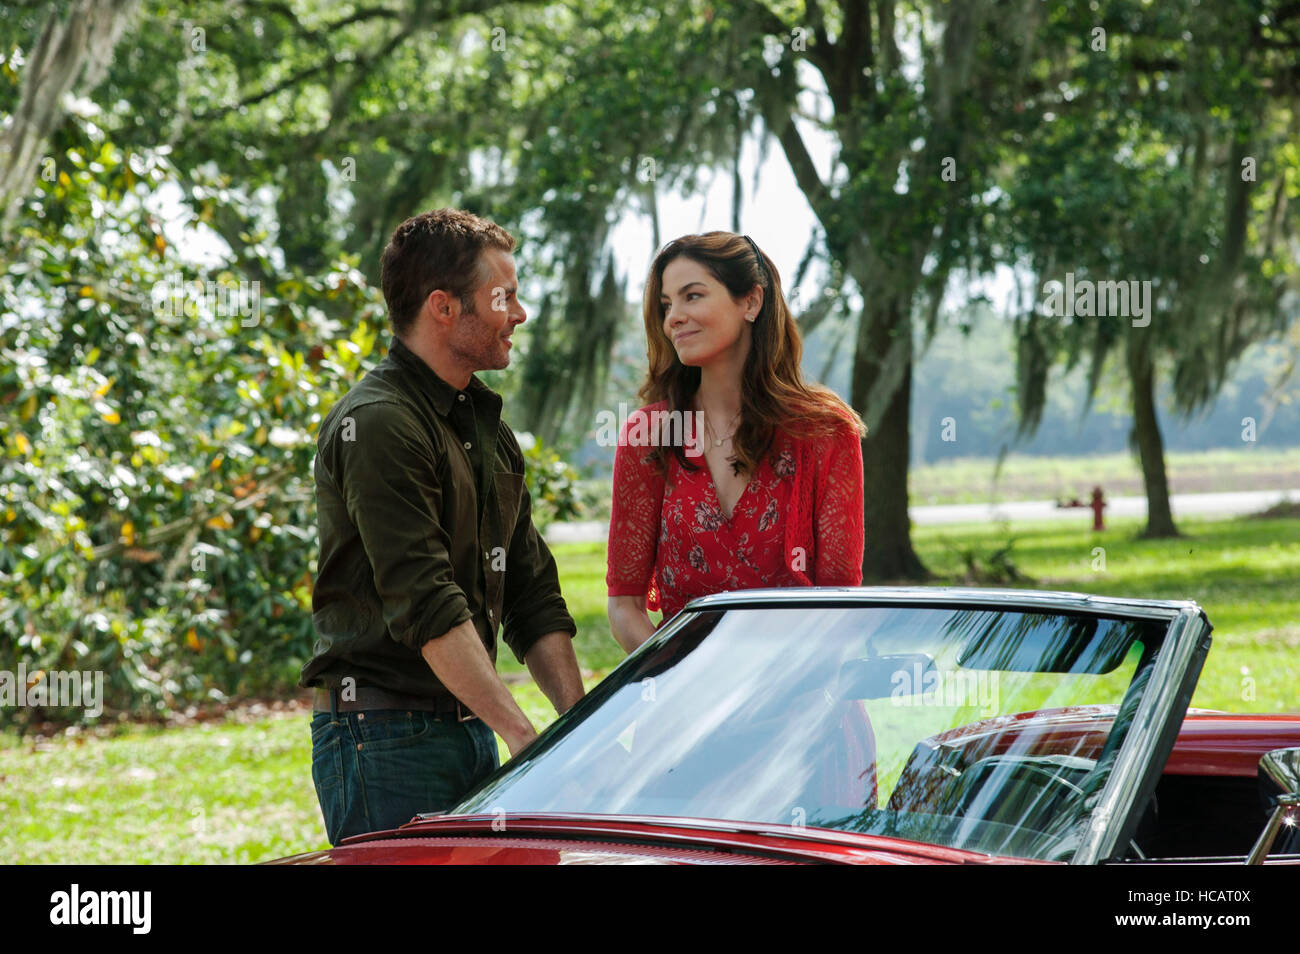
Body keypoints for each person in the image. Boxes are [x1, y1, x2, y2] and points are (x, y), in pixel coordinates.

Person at [302, 208, 585, 846]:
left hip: (467, 725)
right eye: (503, 296)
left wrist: (577, 732)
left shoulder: (487, 429)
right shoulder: (379, 423)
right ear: (443, 307)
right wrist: (524, 736)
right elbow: (426, 602)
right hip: (384, 741)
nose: (520, 313)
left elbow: (533, 595)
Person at [606, 231, 867, 652]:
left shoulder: (823, 431)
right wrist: (685, 683)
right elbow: (624, 607)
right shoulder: (648, 435)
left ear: (751, 302)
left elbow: (840, 605)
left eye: (692, 296)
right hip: (685, 703)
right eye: (666, 305)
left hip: (806, 699)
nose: (673, 317)